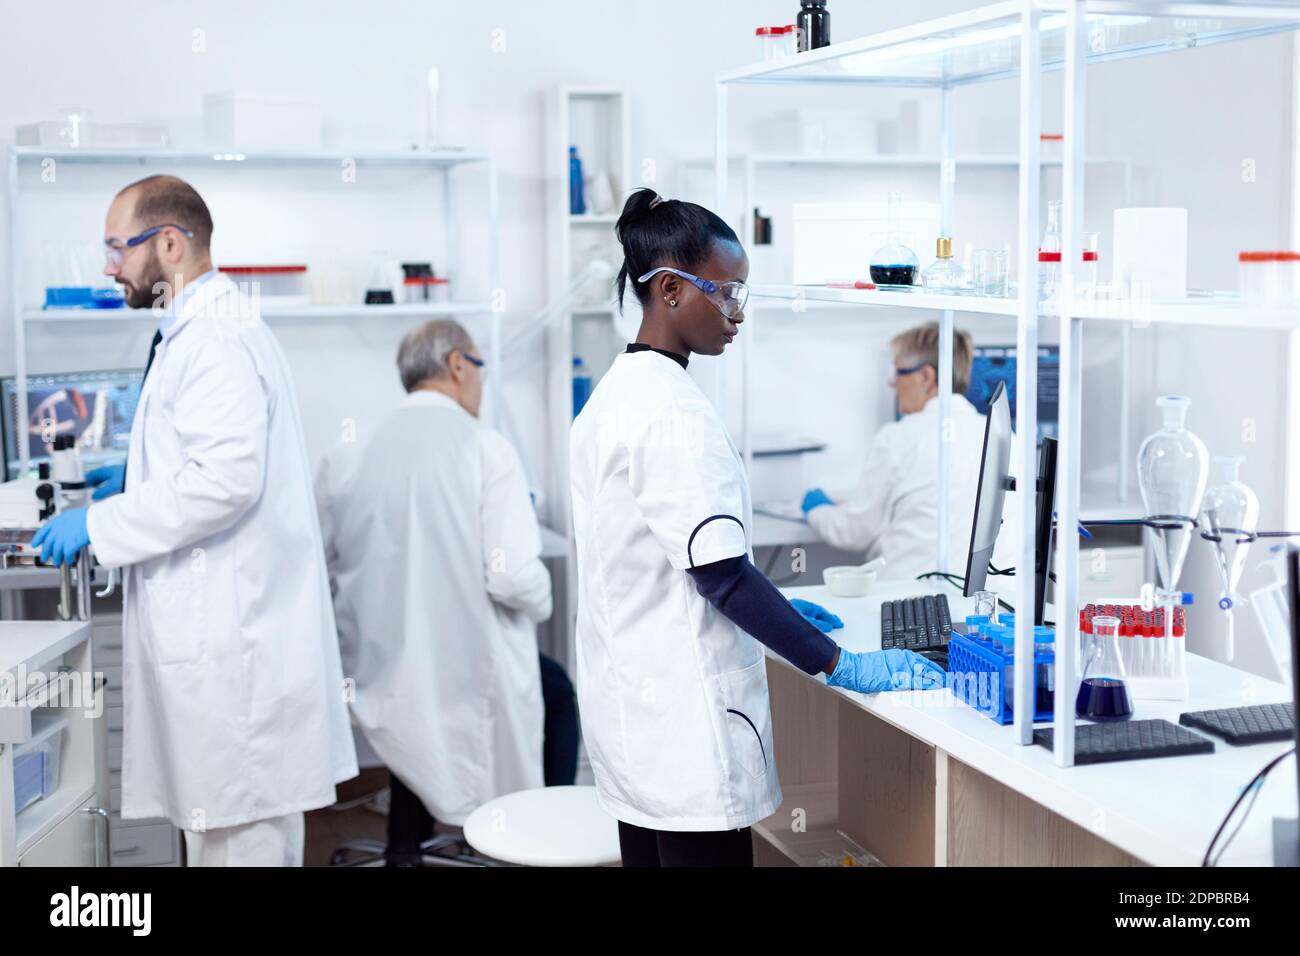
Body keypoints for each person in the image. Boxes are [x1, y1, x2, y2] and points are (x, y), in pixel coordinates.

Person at [569, 189, 944, 868]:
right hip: (684, 730)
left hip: (634, 715)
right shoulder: (674, 411)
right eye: (728, 293)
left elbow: (673, 560)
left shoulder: (615, 394)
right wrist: (841, 665)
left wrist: (774, 611)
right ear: (674, 290)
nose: (738, 314)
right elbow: (722, 576)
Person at [32, 175, 357, 866]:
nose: (109, 266)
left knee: (240, 846)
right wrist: (131, 476)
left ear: (170, 243)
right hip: (224, 651)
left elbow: (223, 483)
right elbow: (214, 459)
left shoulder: (212, 336)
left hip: (236, 663)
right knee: (223, 842)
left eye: (118, 248)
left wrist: (100, 521)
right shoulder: (199, 329)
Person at [315, 319, 578, 867]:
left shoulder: (347, 452)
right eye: (480, 367)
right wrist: (544, 603)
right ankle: (547, 844)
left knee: (416, 716)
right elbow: (512, 577)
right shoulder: (484, 448)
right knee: (558, 693)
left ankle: (404, 851)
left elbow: (322, 563)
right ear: (459, 365)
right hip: (460, 677)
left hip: (373, 676)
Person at [800, 323, 990, 581]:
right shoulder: (999, 436)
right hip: (986, 602)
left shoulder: (897, 438)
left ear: (925, 377)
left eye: (899, 372)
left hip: (910, 595)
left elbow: (854, 533)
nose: (892, 383)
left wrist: (816, 509)